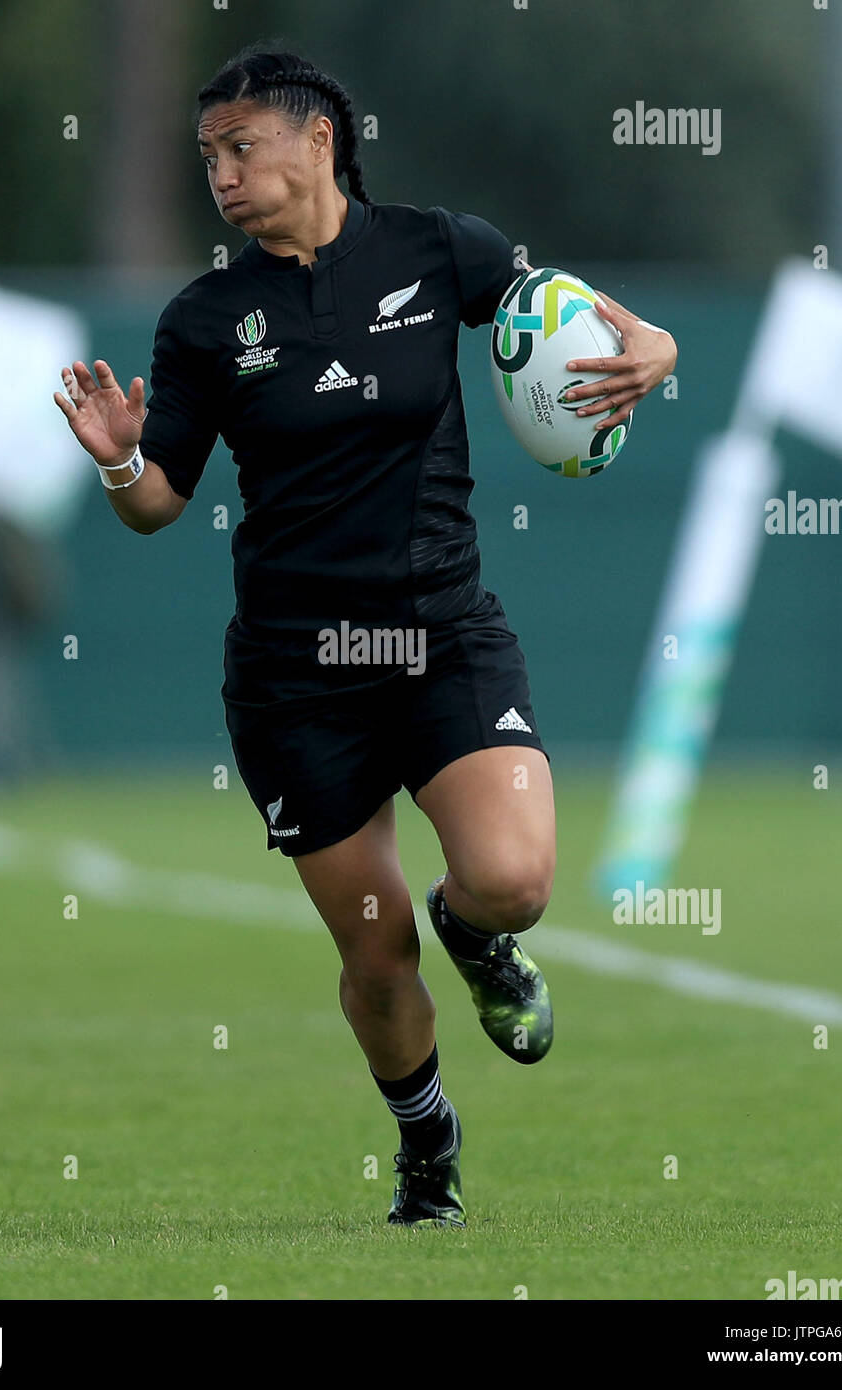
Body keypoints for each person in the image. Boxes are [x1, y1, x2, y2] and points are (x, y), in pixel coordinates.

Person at [53, 47, 677, 1229]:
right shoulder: (206, 318)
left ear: (319, 140)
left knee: (515, 880)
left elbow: (587, 319)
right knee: (377, 955)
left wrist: (660, 349)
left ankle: (478, 938)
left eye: (242, 148)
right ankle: (426, 1141)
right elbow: (157, 505)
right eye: (207, 159)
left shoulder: (442, 248)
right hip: (299, 674)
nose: (222, 176)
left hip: (443, 634)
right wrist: (124, 457)